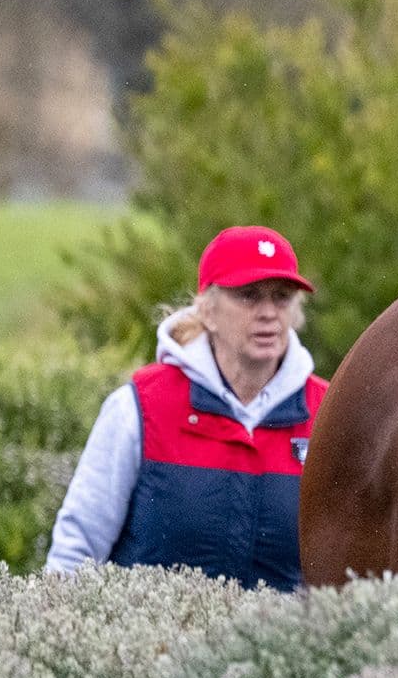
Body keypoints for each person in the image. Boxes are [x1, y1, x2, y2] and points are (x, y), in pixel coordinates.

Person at [47, 226, 326, 590]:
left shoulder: (328, 414)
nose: (269, 313)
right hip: (149, 628)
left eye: (282, 298)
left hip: (284, 631)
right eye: (249, 296)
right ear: (207, 310)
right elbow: (77, 548)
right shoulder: (138, 407)